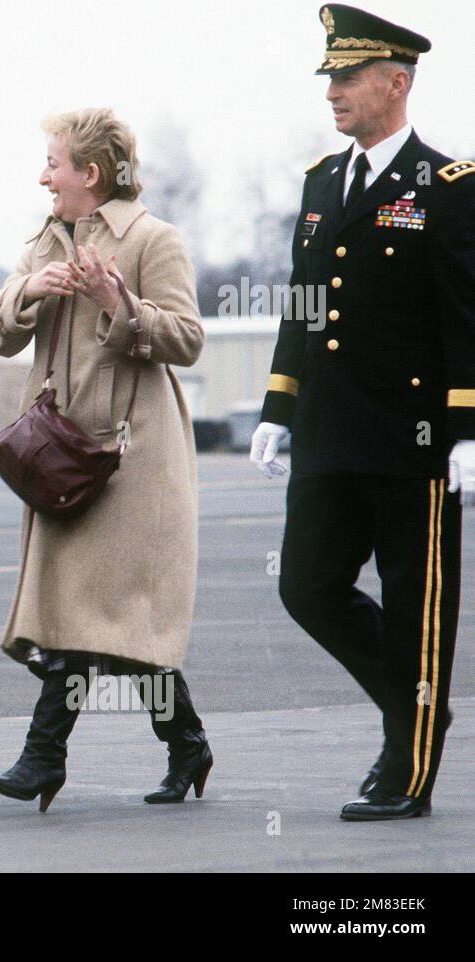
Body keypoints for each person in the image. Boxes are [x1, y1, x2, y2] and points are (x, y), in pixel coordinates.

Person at [250, 5, 474, 821]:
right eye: (331, 78)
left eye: (347, 78)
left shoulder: (449, 188)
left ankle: (406, 771)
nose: (334, 93)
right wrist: (279, 403)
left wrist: (468, 432)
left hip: (412, 440)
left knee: (417, 603)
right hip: (328, 432)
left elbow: (467, 319)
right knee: (307, 585)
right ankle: (416, 701)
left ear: (396, 82)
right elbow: (302, 303)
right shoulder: (322, 180)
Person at [0, 107, 209, 812]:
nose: (43, 176)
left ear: (91, 173)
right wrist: (28, 291)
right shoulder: (46, 240)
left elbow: (188, 338)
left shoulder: (152, 239)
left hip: (134, 458)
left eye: (53, 164)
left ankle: (42, 757)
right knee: (110, 621)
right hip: (60, 455)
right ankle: (188, 744)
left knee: (98, 615)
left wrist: (121, 302)